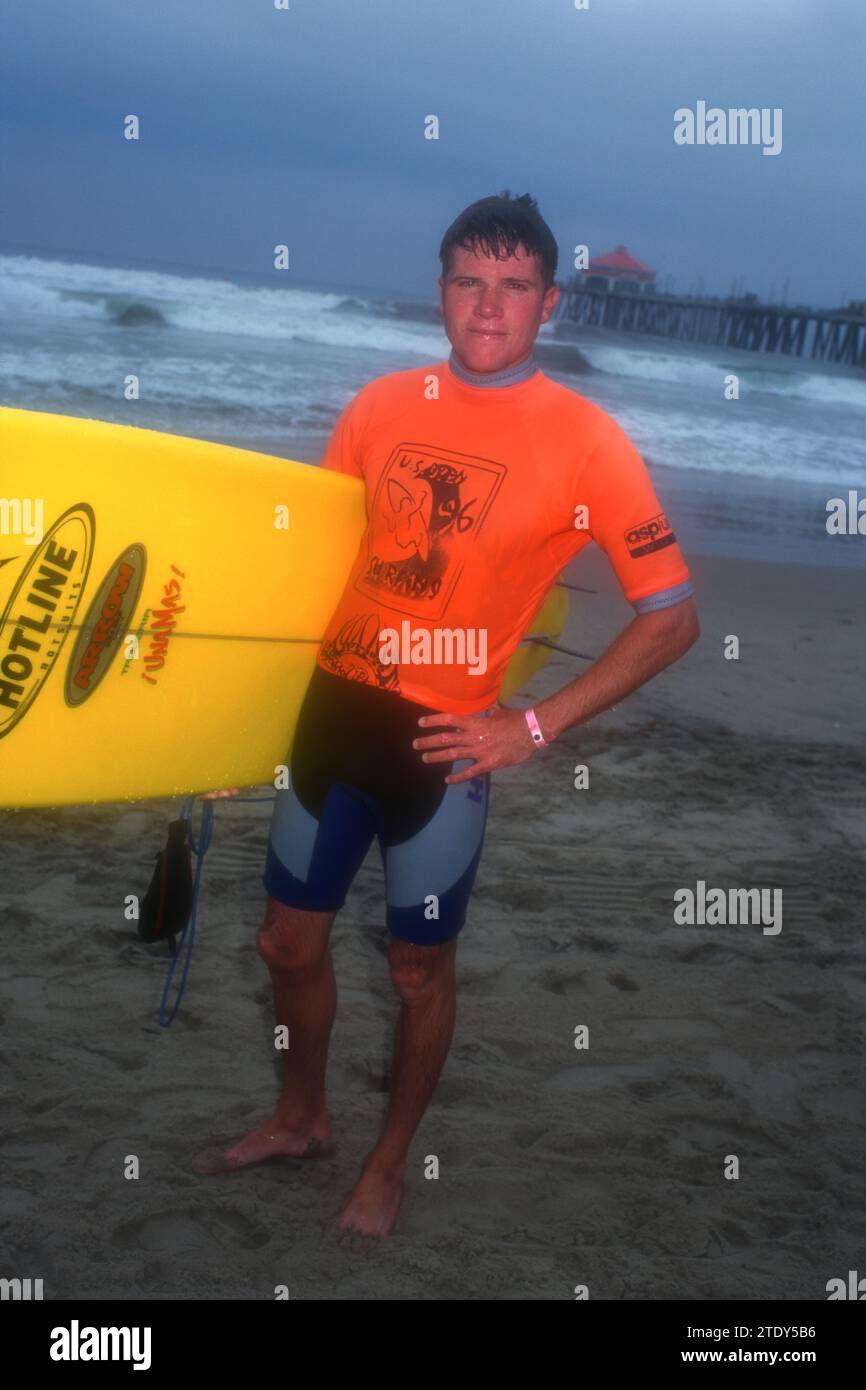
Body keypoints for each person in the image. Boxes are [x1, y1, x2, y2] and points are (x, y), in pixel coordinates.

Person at [196, 193, 699, 1240]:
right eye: (468, 280)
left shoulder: (587, 443)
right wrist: (224, 732)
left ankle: (387, 1160)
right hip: (329, 718)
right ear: (439, 291)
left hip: (443, 743)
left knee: (416, 965)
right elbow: (306, 582)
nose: (487, 305)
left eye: (513, 286)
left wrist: (530, 728)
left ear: (548, 303)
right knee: (284, 945)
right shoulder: (379, 405)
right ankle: (303, 1116)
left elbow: (671, 616)